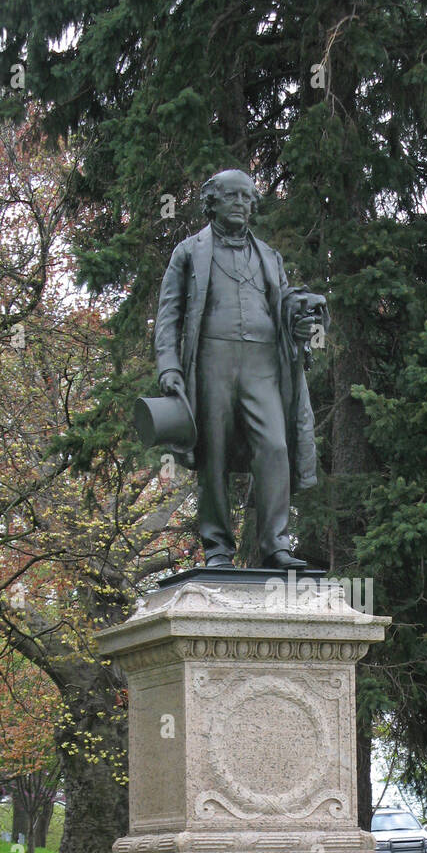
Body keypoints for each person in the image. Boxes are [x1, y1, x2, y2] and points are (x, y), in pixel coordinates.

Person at [154, 169, 324, 569]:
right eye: (231, 196)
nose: (241, 204)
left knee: (276, 447)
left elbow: (283, 305)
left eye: (247, 198)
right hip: (212, 360)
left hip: (264, 363)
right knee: (212, 451)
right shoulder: (189, 252)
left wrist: (300, 318)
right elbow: (169, 316)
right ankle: (217, 549)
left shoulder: (268, 255)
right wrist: (169, 368)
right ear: (211, 203)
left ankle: (275, 545)